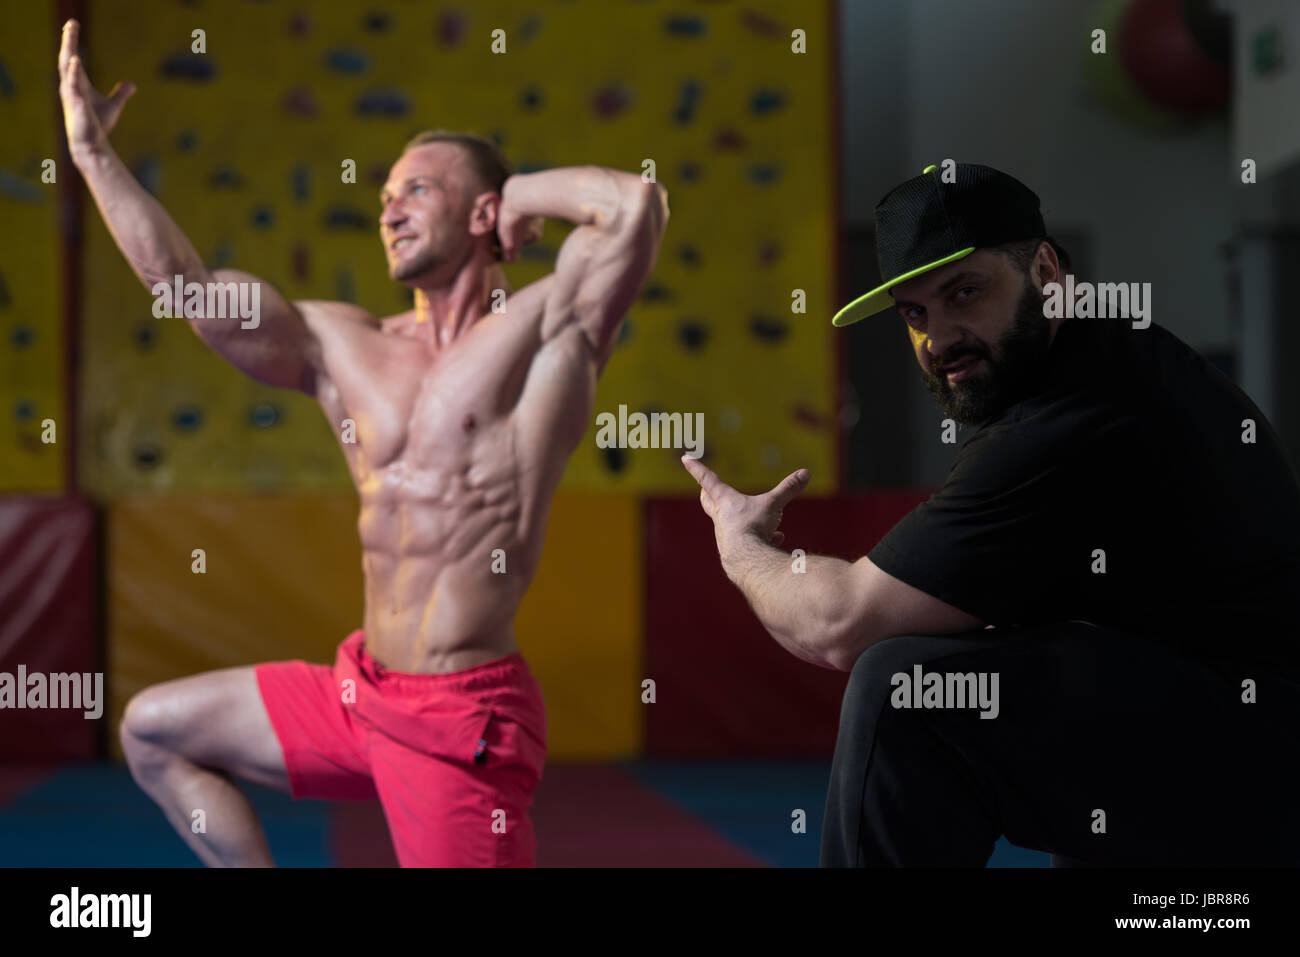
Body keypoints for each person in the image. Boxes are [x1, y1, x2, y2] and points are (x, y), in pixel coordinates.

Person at [58, 18, 669, 866]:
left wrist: (521, 194)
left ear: (482, 211)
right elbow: (184, 286)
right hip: (359, 692)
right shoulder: (339, 343)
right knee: (154, 730)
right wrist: (93, 154)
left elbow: (634, 206)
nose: (390, 206)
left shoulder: (545, 326)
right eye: (385, 193)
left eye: (417, 188)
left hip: (462, 715)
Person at [683, 162, 1300, 866]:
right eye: (915, 314)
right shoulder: (1108, 359)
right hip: (1235, 753)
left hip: (1258, 778)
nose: (939, 339)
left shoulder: (1075, 418)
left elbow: (839, 623)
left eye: (964, 293)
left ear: (1045, 270)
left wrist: (739, 544)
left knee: (905, 689)